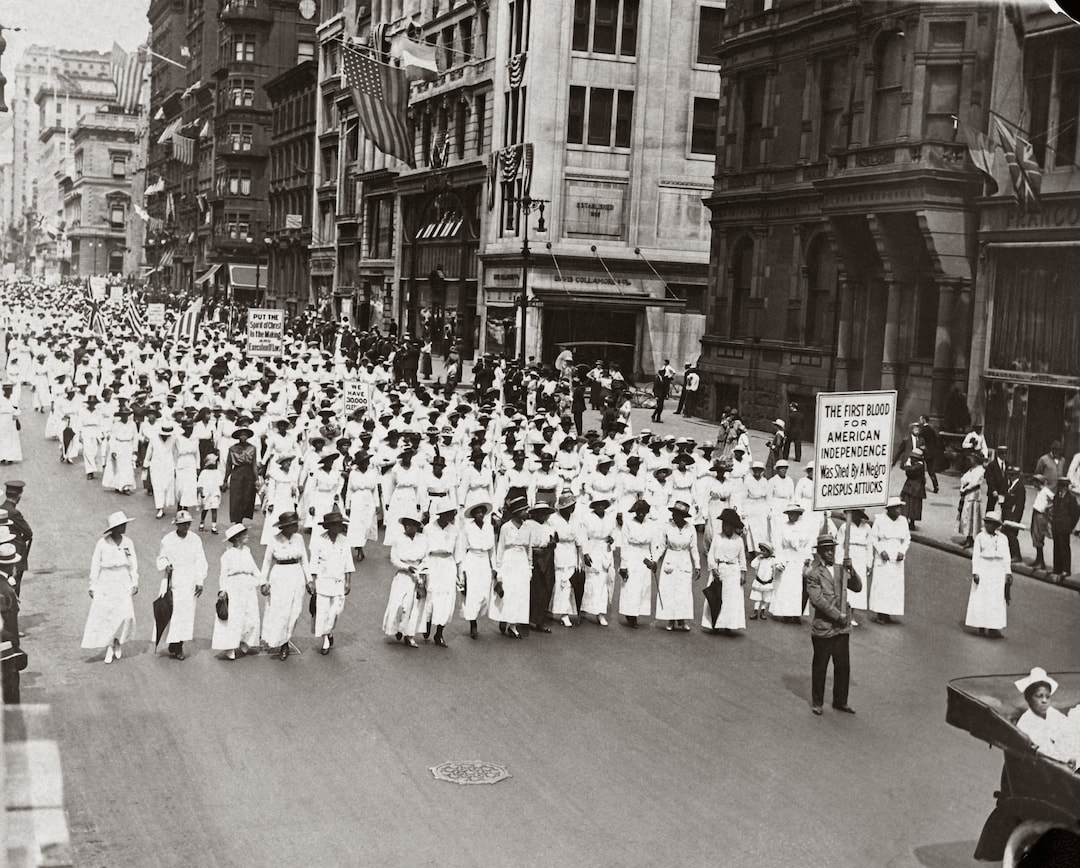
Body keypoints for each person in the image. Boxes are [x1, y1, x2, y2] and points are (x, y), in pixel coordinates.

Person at [805, 534, 861, 715]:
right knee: (820, 666)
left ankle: (840, 701)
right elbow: (818, 601)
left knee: (843, 666)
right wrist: (838, 615)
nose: (831, 553)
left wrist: (851, 569)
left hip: (842, 629)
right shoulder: (813, 574)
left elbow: (857, 587)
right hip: (824, 627)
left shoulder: (841, 570)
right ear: (820, 552)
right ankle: (817, 702)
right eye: (827, 550)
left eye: (832, 549)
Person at [81, 511, 139, 664]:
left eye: (124, 524)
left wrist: (134, 582)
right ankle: (109, 646)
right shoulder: (102, 543)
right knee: (108, 616)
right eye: (121, 525)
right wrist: (93, 585)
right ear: (114, 528)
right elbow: (95, 565)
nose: (124, 527)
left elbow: (133, 564)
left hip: (123, 579)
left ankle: (118, 641)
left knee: (126, 615)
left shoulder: (128, 542)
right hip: (106, 580)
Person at [154, 509, 207, 660]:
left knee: (186, 614)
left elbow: (201, 561)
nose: (186, 526)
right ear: (177, 524)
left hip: (189, 581)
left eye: (188, 523)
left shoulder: (195, 539)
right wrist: (166, 565)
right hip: (173, 581)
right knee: (173, 612)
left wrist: (199, 581)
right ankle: (173, 642)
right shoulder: (168, 540)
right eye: (182, 524)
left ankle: (179, 645)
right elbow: (161, 558)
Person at [259, 510, 311, 660]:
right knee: (280, 611)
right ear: (284, 527)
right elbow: (267, 562)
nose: (295, 527)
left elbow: (305, 561)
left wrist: (310, 580)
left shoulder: (299, 539)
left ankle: (286, 637)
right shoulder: (274, 540)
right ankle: (284, 644)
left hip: (296, 576)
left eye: (296, 524)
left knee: (295, 611)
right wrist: (264, 582)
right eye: (292, 525)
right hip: (279, 576)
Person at [211, 523, 263, 660]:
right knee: (234, 616)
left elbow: (254, 569)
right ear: (236, 538)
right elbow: (223, 575)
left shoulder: (247, 551)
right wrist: (222, 590)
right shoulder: (227, 555)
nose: (247, 536)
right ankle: (230, 647)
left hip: (248, 586)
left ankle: (246, 642)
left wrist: (263, 581)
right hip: (234, 587)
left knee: (250, 614)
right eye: (244, 534)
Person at [308, 510, 354, 655]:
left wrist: (348, 582)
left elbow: (348, 562)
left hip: (338, 582)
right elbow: (314, 563)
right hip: (323, 581)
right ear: (329, 526)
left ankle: (329, 631)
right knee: (323, 612)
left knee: (336, 611)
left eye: (340, 525)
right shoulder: (319, 540)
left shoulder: (345, 541)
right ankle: (326, 639)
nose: (339, 527)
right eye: (336, 525)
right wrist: (313, 582)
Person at [1014, 668, 1077, 766]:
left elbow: (1069, 734)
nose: (1044, 700)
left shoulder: (1053, 714)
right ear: (1029, 698)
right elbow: (1042, 753)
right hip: (1043, 769)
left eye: (1048, 697)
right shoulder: (1025, 724)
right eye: (1039, 696)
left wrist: (1072, 756)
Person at [490, 494, 532, 638]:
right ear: (516, 512)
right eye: (524, 510)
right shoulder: (506, 528)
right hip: (509, 561)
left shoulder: (527, 527)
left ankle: (513, 625)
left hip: (522, 562)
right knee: (509, 592)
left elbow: (529, 549)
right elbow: (500, 548)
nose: (526, 513)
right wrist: (499, 570)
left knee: (520, 594)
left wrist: (530, 567)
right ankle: (504, 618)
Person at [382, 515, 428, 647]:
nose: (408, 527)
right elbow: (394, 559)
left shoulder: (423, 539)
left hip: (418, 574)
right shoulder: (398, 538)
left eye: (412, 525)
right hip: (403, 575)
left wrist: (421, 570)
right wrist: (407, 567)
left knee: (414, 606)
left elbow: (426, 557)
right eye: (406, 525)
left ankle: (409, 635)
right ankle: (397, 628)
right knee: (399, 605)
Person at [654, 500, 698, 632]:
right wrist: (655, 560)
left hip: (684, 559)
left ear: (683, 516)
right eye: (674, 513)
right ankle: (671, 619)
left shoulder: (691, 528)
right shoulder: (667, 527)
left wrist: (698, 565)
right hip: (671, 557)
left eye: (678, 514)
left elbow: (694, 548)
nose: (674, 516)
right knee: (670, 590)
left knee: (684, 591)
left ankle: (682, 619)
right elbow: (661, 545)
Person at [966, 511, 1010, 638]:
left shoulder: (1003, 538)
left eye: (991, 523)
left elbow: (1006, 556)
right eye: (986, 523)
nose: (988, 526)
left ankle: (993, 627)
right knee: (982, 597)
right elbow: (975, 556)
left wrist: (1008, 572)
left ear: (997, 525)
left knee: (995, 599)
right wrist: (975, 572)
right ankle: (981, 624)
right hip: (984, 568)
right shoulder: (980, 537)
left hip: (997, 570)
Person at [703, 508, 747, 635]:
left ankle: (729, 624)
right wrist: (713, 568)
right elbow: (711, 554)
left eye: (727, 524)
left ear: (732, 526)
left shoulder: (738, 540)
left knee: (731, 600)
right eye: (723, 524)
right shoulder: (717, 538)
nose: (724, 526)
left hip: (733, 571)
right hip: (719, 569)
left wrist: (743, 573)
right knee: (716, 596)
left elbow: (742, 558)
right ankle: (715, 623)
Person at [617, 498, 659, 628]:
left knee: (643, 586)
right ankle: (631, 615)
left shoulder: (651, 524)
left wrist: (654, 560)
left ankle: (637, 612)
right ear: (635, 511)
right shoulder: (628, 524)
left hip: (645, 555)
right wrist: (623, 564)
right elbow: (624, 545)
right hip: (632, 554)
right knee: (631, 586)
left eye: (643, 512)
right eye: (639, 511)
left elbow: (654, 543)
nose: (641, 514)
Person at [869, 497, 910, 625]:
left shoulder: (903, 521)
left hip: (897, 554)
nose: (899, 510)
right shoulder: (880, 520)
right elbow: (873, 537)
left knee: (894, 586)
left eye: (900, 507)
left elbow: (907, 538)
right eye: (896, 507)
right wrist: (881, 551)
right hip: (884, 555)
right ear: (889, 509)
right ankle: (881, 613)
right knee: (882, 584)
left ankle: (888, 612)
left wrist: (902, 551)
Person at [2, 480, 31, 596]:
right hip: (14, 554)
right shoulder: (14, 512)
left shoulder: (2, 508)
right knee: (14, 586)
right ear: (18, 496)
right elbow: (29, 533)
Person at [224, 426, 258, 524]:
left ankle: (242, 518)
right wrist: (225, 480)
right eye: (241, 434)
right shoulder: (232, 449)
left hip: (248, 474)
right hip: (237, 473)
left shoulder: (252, 448)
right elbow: (229, 465)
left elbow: (254, 464)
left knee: (247, 497)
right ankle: (237, 521)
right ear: (238, 436)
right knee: (236, 498)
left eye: (245, 434)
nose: (243, 436)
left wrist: (256, 479)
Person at [1049, 477, 1080, 580]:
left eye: (1063, 486)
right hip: (1056, 526)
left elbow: (1075, 514)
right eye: (1060, 486)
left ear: (1066, 487)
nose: (1061, 488)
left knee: (1064, 548)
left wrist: (1071, 526)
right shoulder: (1056, 497)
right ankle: (1057, 568)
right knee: (1056, 547)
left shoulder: (1071, 498)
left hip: (1065, 527)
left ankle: (1066, 570)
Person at [957, 453, 986, 548]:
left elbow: (975, 482)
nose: (970, 460)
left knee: (972, 517)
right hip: (968, 495)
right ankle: (967, 537)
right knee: (966, 516)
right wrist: (963, 486)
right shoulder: (971, 469)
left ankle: (971, 539)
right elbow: (963, 478)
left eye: (972, 459)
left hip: (974, 495)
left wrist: (965, 488)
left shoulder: (980, 470)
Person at [1030, 474, 1053, 570]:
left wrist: (1047, 508)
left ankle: (1041, 562)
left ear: (1039, 482)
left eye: (1035, 481)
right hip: (1035, 514)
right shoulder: (1039, 491)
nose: (1034, 483)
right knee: (1035, 536)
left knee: (1039, 536)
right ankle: (1038, 559)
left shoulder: (1045, 491)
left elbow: (1054, 499)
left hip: (1040, 515)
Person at [900, 448, 926, 530]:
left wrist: (907, 465)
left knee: (913, 506)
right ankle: (907, 521)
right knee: (908, 505)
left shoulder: (919, 465)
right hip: (912, 487)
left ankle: (912, 523)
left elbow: (910, 471)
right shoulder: (917, 464)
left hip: (915, 488)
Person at [748, 541, 776, 621]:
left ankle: (763, 612)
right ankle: (755, 612)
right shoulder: (760, 559)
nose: (762, 552)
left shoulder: (772, 560)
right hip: (759, 581)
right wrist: (758, 558)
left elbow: (776, 568)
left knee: (766, 598)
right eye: (761, 550)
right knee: (757, 598)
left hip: (768, 583)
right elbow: (753, 564)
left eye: (764, 551)